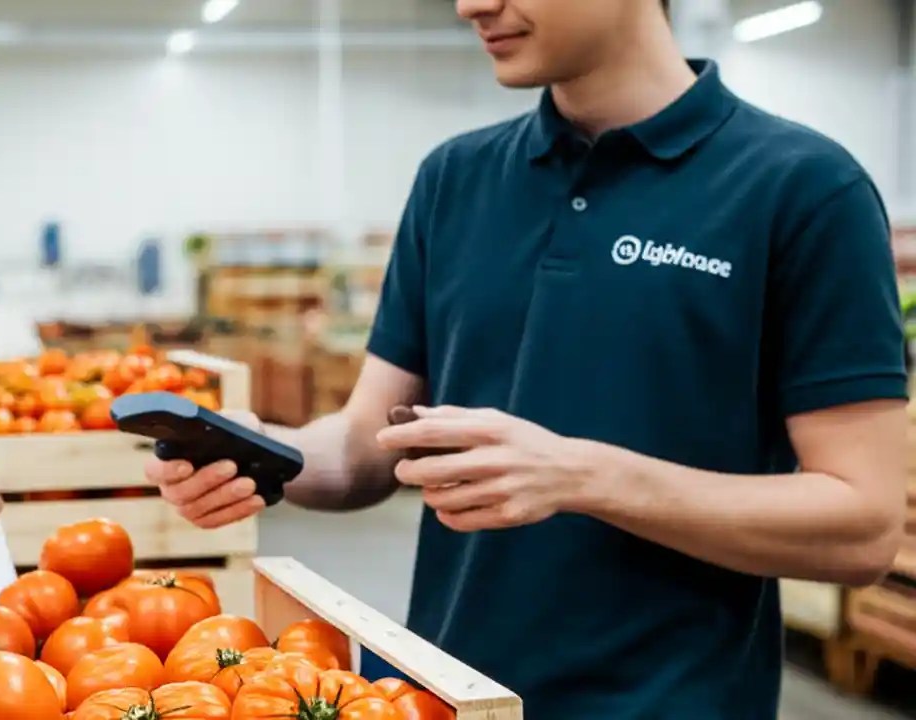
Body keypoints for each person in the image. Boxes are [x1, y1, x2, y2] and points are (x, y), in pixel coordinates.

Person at [146, 0, 909, 716]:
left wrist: (584, 475)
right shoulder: (455, 179)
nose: (469, 4)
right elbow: (363, 445)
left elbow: (863, 525)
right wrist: (262, 453)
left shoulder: (804, 189)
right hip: (451, 692)